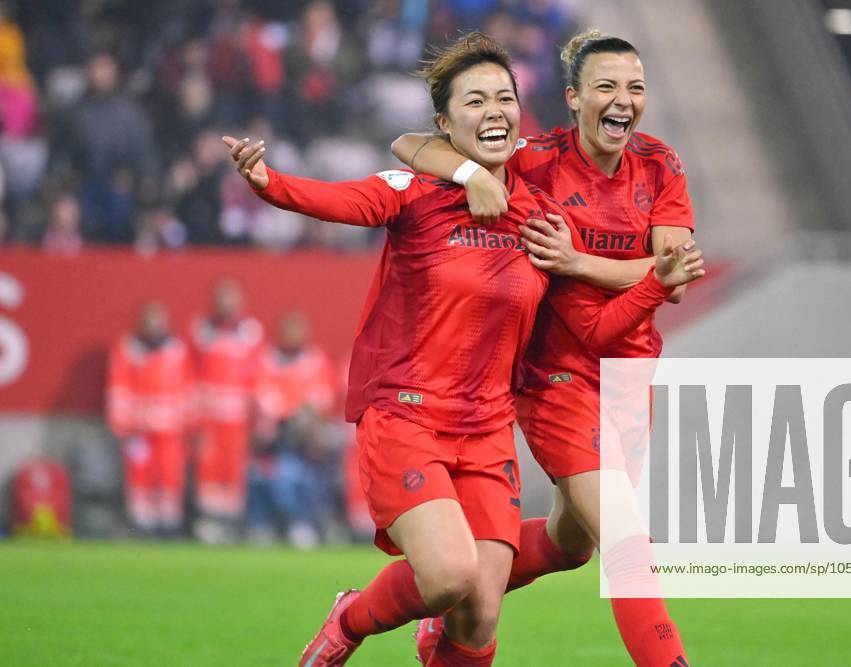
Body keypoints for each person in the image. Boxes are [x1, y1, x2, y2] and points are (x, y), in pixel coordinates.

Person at [224, 31, 701, 667]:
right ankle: (351, 617)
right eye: (474, 102)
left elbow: (629, 297)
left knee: (506, 593)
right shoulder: (442, 185)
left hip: (504, 421)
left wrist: (619, 274)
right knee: (475, 573)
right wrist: (269, 182)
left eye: (504, 98)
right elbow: (379, 169)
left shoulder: (542, 206)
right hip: (436, 408)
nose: (494, 111)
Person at [392, 30, 696, 666]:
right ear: (574, 98)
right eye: (606, 87)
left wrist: (576, 261)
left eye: (635, 88)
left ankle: (457, 601)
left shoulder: (660, 164)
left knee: (569, 544)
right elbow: (409, 145)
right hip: (557, 378)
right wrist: (473, 171)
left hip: (630, 377)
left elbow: (669, 274)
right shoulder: (538, 158)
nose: (623, 101)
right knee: (627, 544)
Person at [106, 301, 195, 536]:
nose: (154, 326)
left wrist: (189, 425)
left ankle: (168, 524)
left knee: (169, 475)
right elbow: (119, 388)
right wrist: (122, 423)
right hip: (139, 428)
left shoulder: (177, 351)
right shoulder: (128, 350)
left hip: (170, 428)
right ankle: (140, 524)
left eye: (159, 321)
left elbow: (186, 389)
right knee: (139, 477)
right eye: (149, 321)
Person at [247, 311, 336, 548]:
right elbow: (264, 395)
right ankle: (262, 524)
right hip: (275, 438)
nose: (292, 336)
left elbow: (321, 397)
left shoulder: (315, 361)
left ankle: (305, 523)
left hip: (306, 439)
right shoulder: (268, 360)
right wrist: (285, 417)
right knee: (263, 475)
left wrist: (301, 416)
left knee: (306, 477)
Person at [189, 279, 263, 543]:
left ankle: (231, 525)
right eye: (222, 298)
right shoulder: (201, 331)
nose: (227, 305)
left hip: (237, 419)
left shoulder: (251, 333)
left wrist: (258, 418)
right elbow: (190, 374)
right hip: (209, 417)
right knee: (208, 470)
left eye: (231, 298)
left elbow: (257, 376)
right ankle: (209, 521)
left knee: (233, 472)